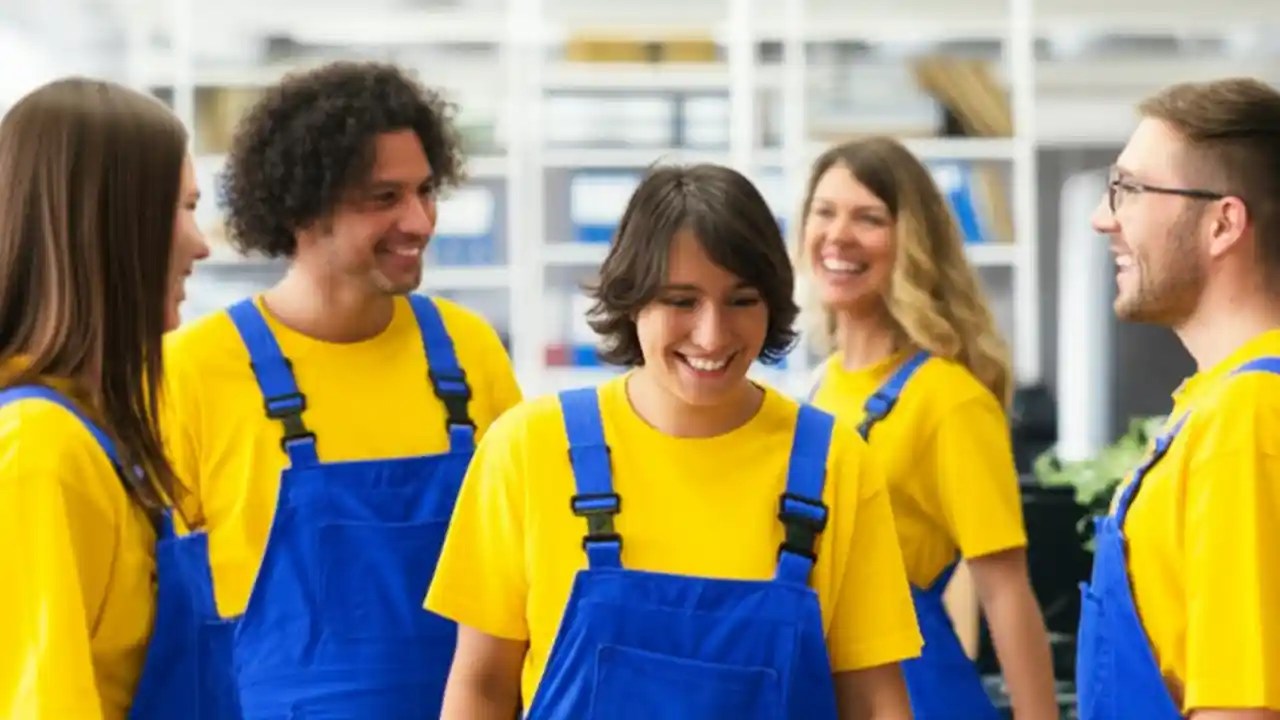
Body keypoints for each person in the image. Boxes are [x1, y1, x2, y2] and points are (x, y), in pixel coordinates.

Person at [428, 162, 923, 719]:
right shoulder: (528, 448)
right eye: (681, 301)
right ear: (632, 298)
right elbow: (482, 687)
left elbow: (876, 701)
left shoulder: (834, 461)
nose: (711, 334)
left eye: (741, 300)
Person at [160, 61, 523, 718]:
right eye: (384, 198)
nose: (419, 221)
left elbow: (529, 571)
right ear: (302, 204)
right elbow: (158, 627)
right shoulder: (191, 371)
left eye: (425, 190)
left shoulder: (470, 355)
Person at [801, 137, 1060, 720]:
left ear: (912, 243)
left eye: (868, 218)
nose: (837, 234)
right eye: (824, 211)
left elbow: (1005, 591)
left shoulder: (949, 399)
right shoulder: (817, 388)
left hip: (915, 693)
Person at [0, 78, 216, 718]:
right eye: (184, 209)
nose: (200, 244)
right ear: (112, 226)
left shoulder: (100, 434)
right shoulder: (39, 449)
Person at [1077, 77, 1280, 719]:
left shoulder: (1245, 417)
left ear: (1223, 223)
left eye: (1129, 190)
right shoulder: (1218, 404)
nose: (1102, 217)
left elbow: (1241, 708)